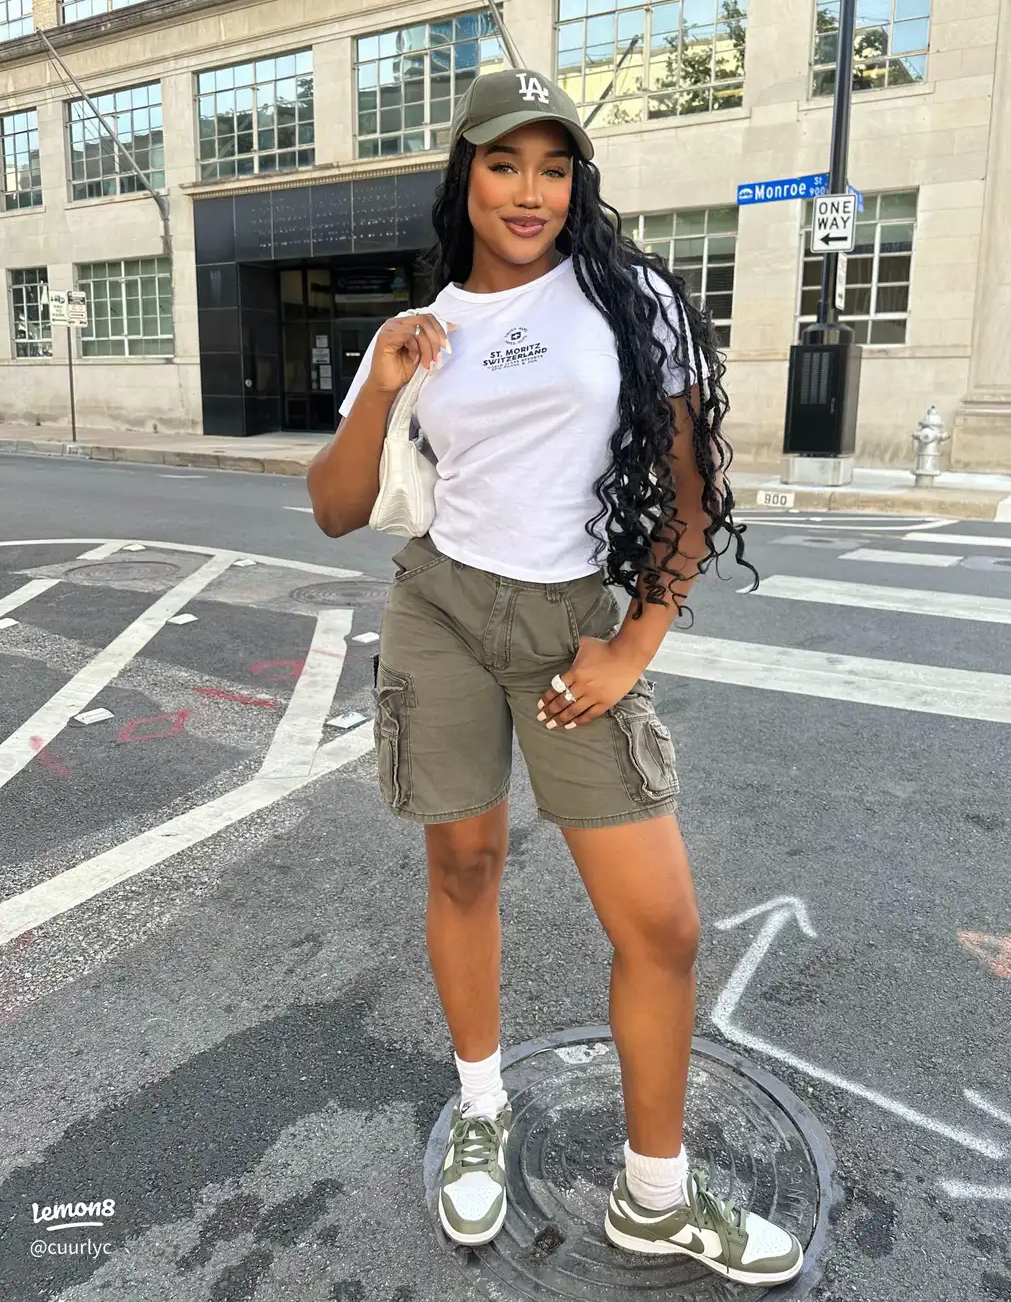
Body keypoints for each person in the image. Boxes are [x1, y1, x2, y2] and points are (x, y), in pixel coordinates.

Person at [307, 68, 803, 1288]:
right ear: (465, 177)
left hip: (571, 623)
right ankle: (482, 1105)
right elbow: (334, 507)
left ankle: (655, 1198)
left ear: (578, 182)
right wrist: (385, 381)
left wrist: (634, 641)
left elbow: (692, 491)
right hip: (441, 608)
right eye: (504, 164)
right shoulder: (422, 328)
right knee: (463, 865)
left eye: (554, 167)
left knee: (663, 926)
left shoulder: (627, 297)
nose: (530, 191)